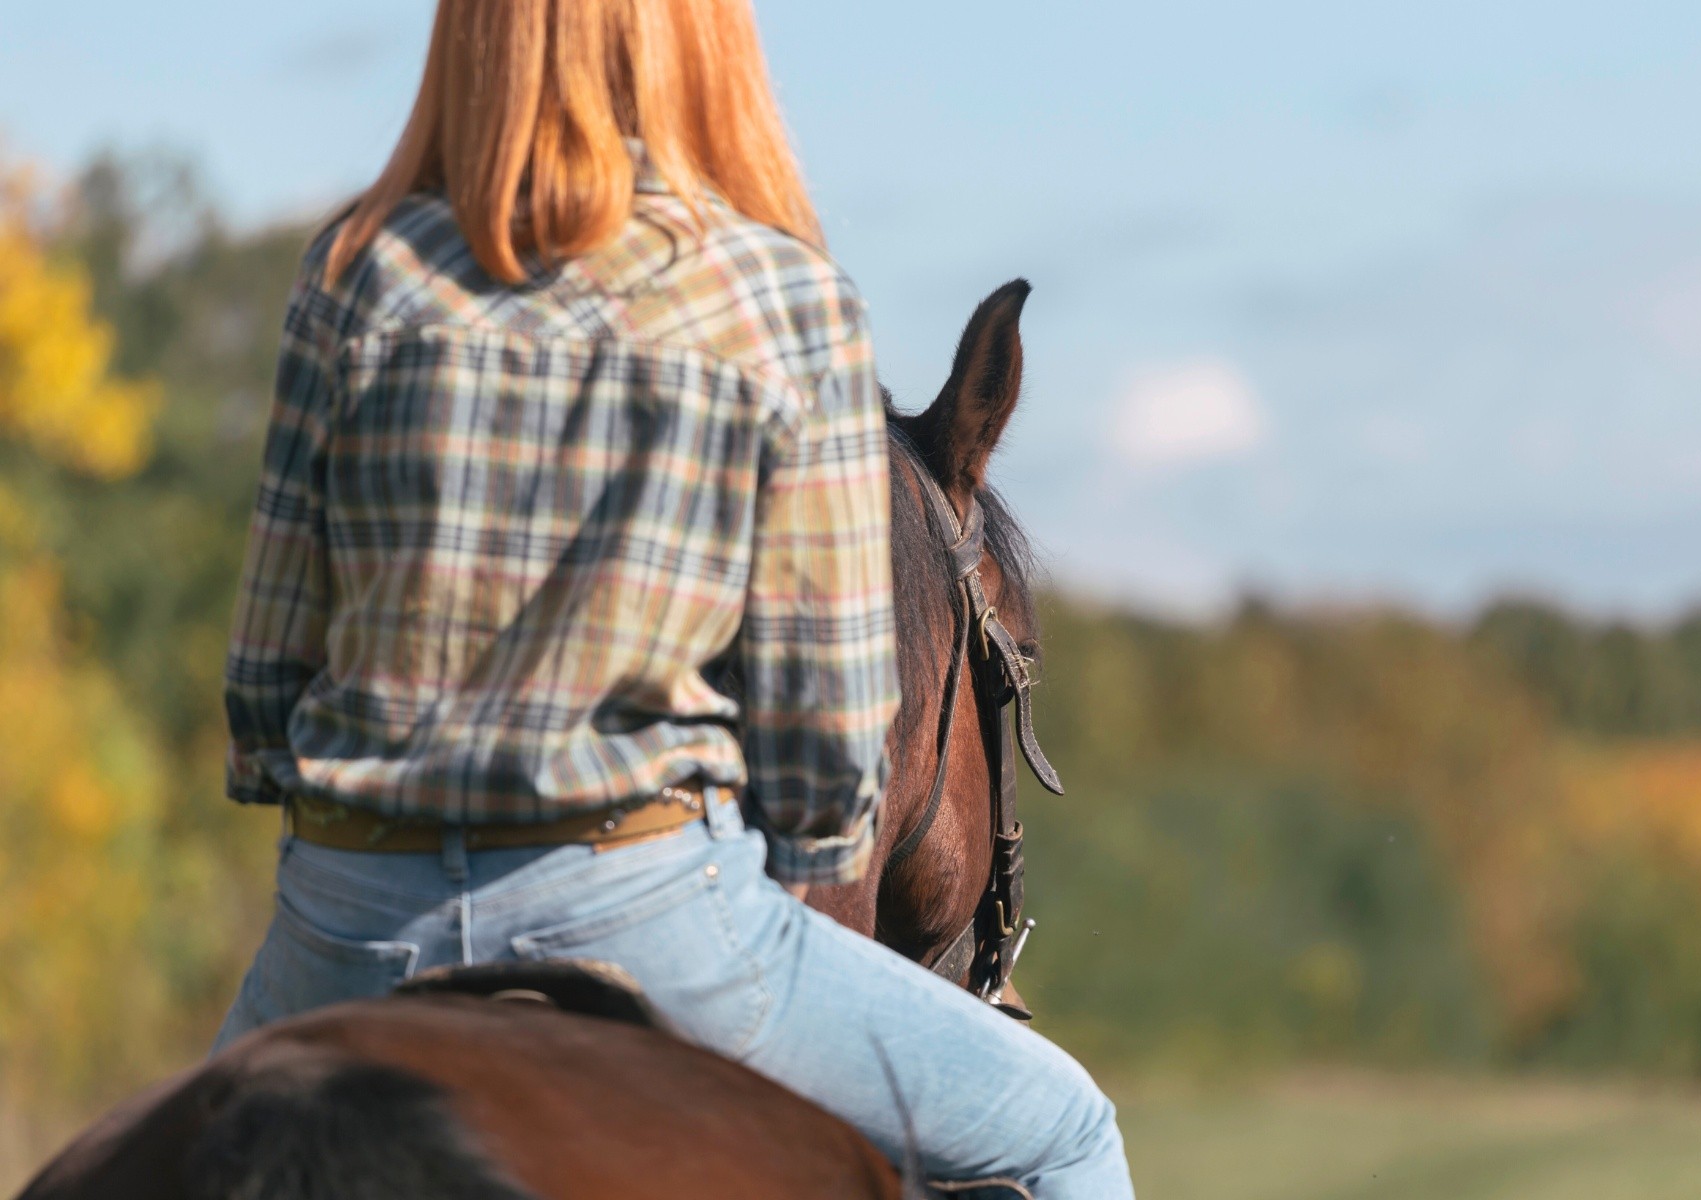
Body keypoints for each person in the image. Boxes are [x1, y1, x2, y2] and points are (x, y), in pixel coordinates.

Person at [211, 2, 1133, 1195]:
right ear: (702, 43)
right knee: (1066, 1134)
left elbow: (261, 699)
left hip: (344, 915)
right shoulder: (778, 301)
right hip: (643, 913)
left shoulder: (355, 271)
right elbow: (824, 759)